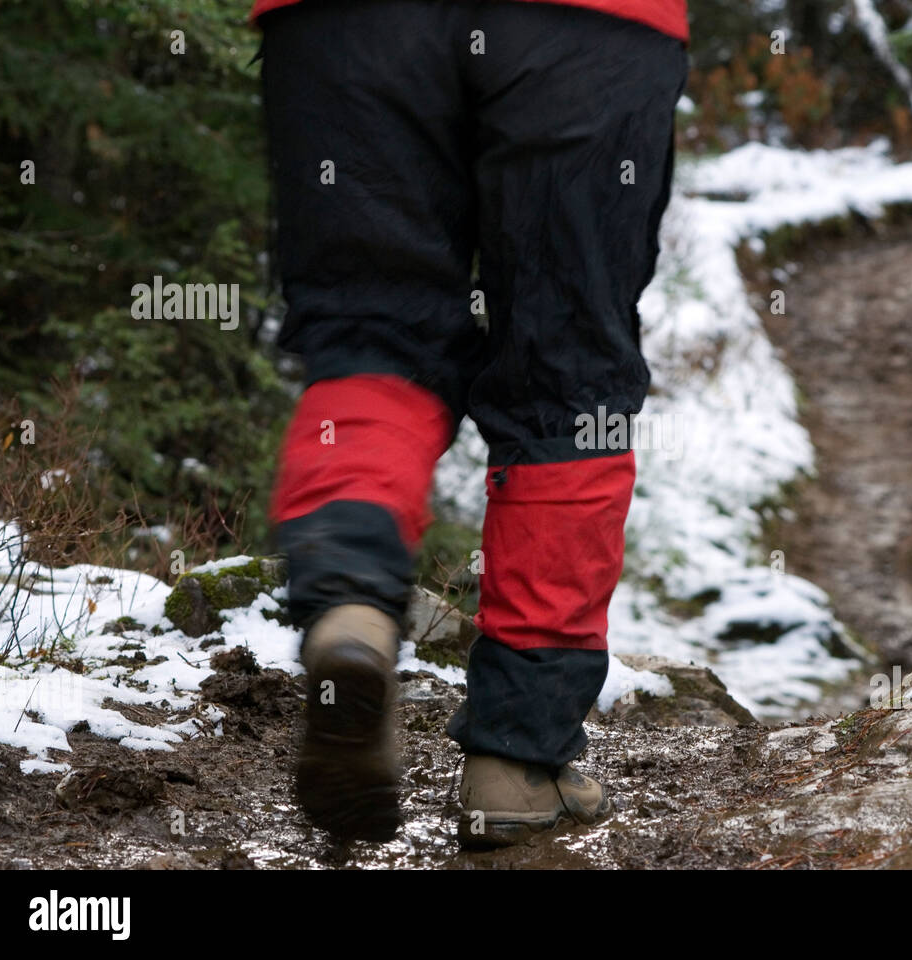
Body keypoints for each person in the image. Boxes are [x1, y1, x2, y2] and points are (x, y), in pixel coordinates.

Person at [252, 0, 689, 846]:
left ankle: (351, 611)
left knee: (371, 337)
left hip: (350, 30)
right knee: (569, 385)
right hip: (587, 31)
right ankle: (517, 764)